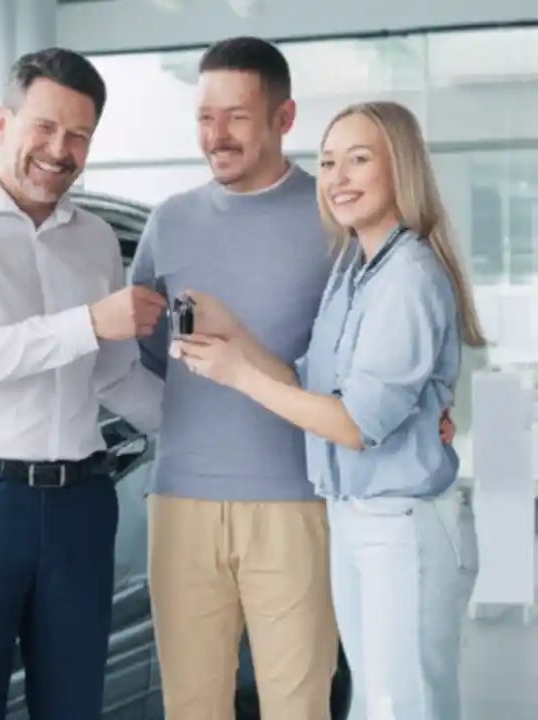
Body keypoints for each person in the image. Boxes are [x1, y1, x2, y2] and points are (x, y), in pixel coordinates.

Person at [175, 100, 484, 720]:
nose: (338, 177)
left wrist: (238, 376)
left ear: (401, 169)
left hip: (403, 523)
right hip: (355, 518)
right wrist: (232, 334)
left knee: (404, 707)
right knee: (375, 702)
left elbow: (353, 424)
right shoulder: (356, 270)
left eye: (359, 160)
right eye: (327, 162)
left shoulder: (409, 279)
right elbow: (311, 390)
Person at [0, 48, 166, 720]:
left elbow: (113, 372)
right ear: (2, 122)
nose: (60, 149)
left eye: (79, 135)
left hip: (81, 504)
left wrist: (222, 425)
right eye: (44, 127)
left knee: (75, 706)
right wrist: (86, 322)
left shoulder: (96, 239)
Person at [126, 36, 343, 719]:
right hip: (181, 505)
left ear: (284, 119)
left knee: (298, 705)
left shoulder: (334, 219)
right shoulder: (170, 221)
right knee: (191, 707)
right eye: (204, 118)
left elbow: (352, 370)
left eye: (237, 117)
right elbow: (147, 353)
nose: (215, 137)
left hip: (296, 501)